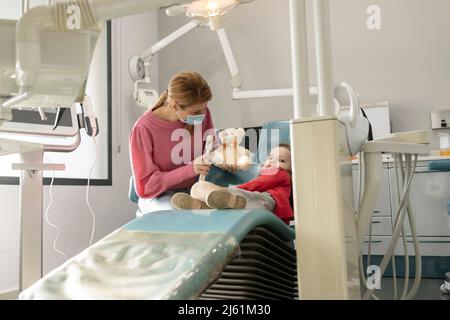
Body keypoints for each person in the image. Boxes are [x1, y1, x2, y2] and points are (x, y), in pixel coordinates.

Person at [129, 71, 220, 216]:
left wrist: (224, 158)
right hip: (158, 196)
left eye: (204, 108)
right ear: (174, 106)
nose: (202, 114)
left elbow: (213, 147)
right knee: (175, 213)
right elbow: (145, 186)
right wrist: (191, 169)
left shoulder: (201, 114)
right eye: (196, 111)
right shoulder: (143, 129)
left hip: (194, 189)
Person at [171, 144, 294, 224]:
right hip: (261, 202)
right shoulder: (267, 172)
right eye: (270, 157)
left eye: (281, 160)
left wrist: (232, 189)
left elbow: (256, 185)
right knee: (237, 199)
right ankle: (200, 205)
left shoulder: (281, 173)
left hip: (270, 201)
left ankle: (223, 197)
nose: (273, 161)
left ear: (291, 168)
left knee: (248, 196)